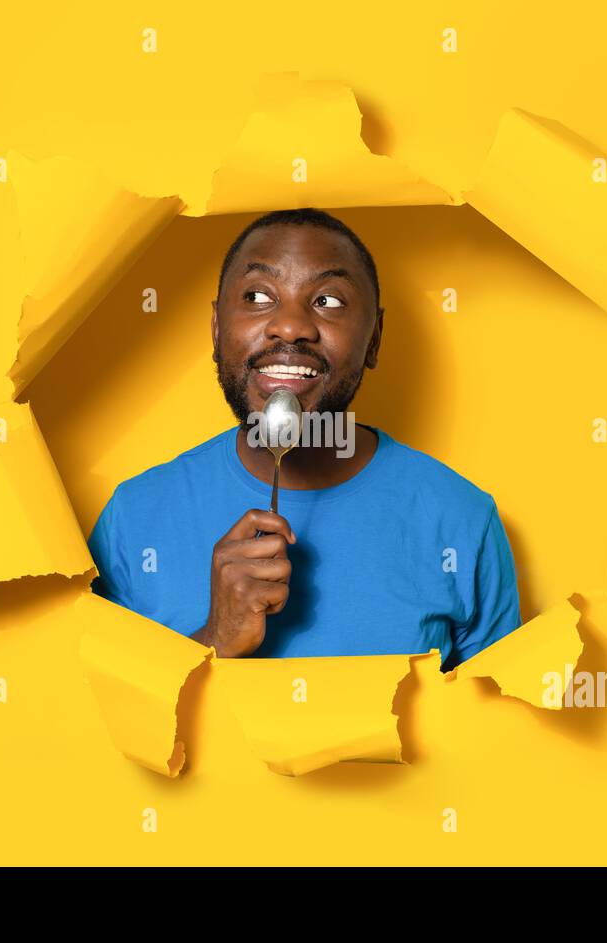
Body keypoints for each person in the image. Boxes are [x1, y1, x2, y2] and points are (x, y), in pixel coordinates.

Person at [86, 208, 521, 669]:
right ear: (216, 330)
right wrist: (215, 640)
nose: (291, 326)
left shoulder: (462, 521)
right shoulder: (133, 518)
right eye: (257, 295)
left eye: (328, 301)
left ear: (374, 339)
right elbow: (96, 731)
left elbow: (496, 734)